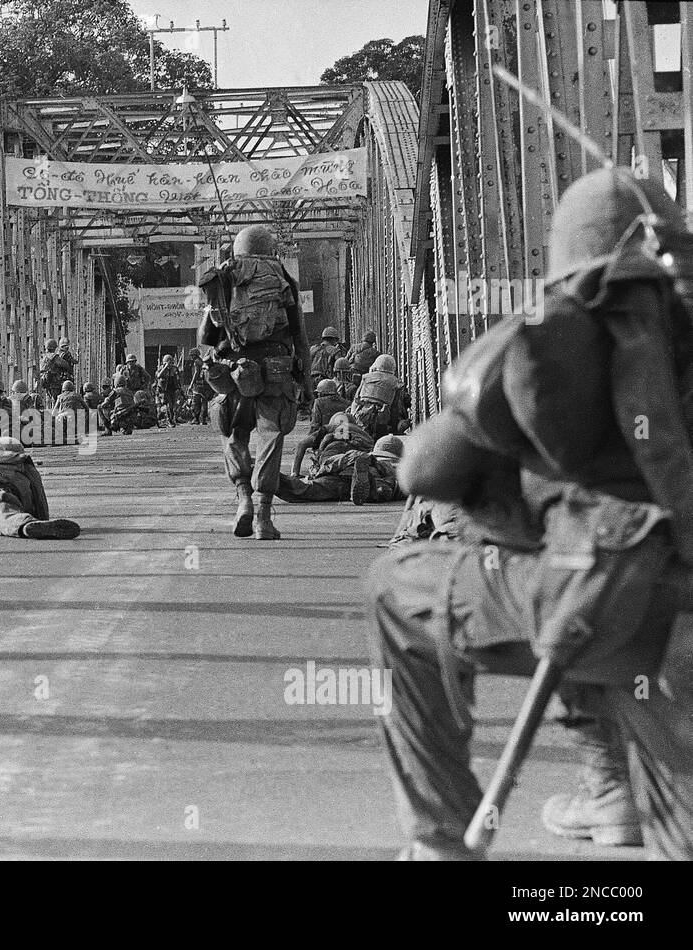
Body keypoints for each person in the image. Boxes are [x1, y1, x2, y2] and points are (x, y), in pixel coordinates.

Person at [367, 167, 693, 860]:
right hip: (669, 617)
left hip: (613, 603)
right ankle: (612, 793)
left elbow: (422, 471)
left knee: (403, 588)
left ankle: (441, 842)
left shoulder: (564, 335)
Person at [198, 224, 312, 539]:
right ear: (271, 249)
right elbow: (300, 336)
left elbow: (205, 337)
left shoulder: (222, 278)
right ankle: (263, 517)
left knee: (233, 435)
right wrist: (307, 381)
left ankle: (243, 499)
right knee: (271, 436)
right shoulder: (283, 280)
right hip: (275, 370)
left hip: (233, 372)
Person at [276, 434, 405, 504]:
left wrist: (296, 473)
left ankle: (268, 475)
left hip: (339, 470)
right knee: (384, 489)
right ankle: (373, 489)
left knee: (304, 489)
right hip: (366, 474)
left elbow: (303, 444)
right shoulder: (394, 465)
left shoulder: (331, 432)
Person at [291, 378, 351, 476]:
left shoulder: (319, 402)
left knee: (301, 445)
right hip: (344, 435)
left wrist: (309, 439)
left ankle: (295, 473)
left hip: (325, 433)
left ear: (322, 393)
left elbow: (315, 425)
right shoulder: (347, 403)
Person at [349, 354, 408, 439]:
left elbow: (356, 399)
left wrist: (353, 416)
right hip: (382, 418)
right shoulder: (396, 382)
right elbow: (395, 407)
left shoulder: (366, 377)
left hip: (362, 415)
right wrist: (395, 429)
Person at [38, 339, 76, 407]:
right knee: (56, 400)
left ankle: (51, 412)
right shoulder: (54, 357)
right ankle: (54, 415)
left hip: (45, 381)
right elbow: (65, 364)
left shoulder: (44, 356)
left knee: (50, 398)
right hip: (54, 381)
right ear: (54, 347)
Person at [307, 326, 346, 394]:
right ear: (334, 339)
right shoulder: (335, 350)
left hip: (309, 379)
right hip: (324, 381)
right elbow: (340, 366)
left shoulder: (312, 349)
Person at [155, 355, 181, 427]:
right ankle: (168, 421)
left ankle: (171, 420)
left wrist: (179, 388)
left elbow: (177, 379)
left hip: (172, 389)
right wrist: (165, 367)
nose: (170, 365)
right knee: (167, 406)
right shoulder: (161, 368)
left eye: (171, 363)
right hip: (163, 390)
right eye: (168, 363)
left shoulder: (174, 369)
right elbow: (158, 376)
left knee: (173, 406)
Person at [188, 356, 214, 425]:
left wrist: (191, 384)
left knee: (196, 403)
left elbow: (196, 373)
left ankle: (196, 419)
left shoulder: (196, 362)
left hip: (198, 386)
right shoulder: (204, 363)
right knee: (204, 402)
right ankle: (203, 420)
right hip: (207, 385)